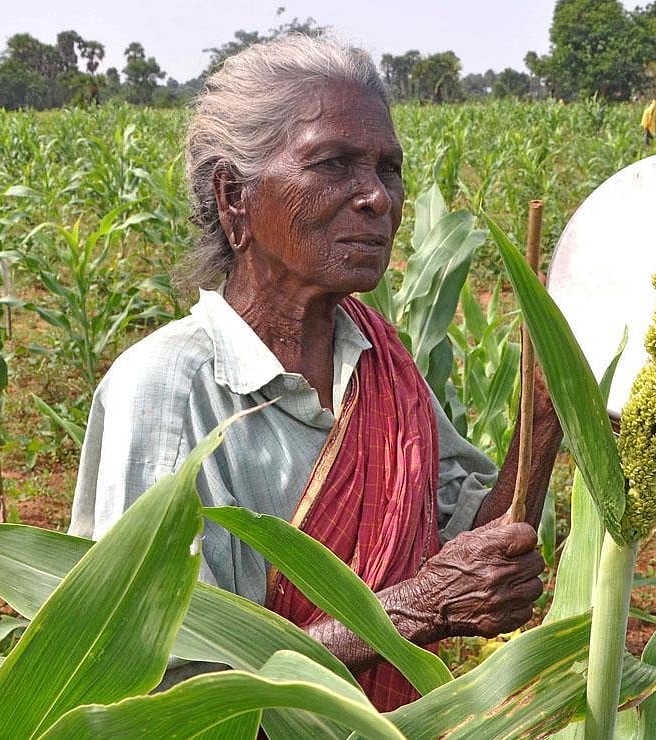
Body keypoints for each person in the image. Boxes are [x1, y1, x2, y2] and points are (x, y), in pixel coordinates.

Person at [68, 35, 563, 711]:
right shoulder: (169, 390)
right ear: (233, 198)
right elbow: (156, 683)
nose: (378, 200)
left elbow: (478, 544)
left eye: (388, 169)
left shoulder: (377, 363)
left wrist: (546, 414)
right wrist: (414, 611)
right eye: (333, 165)